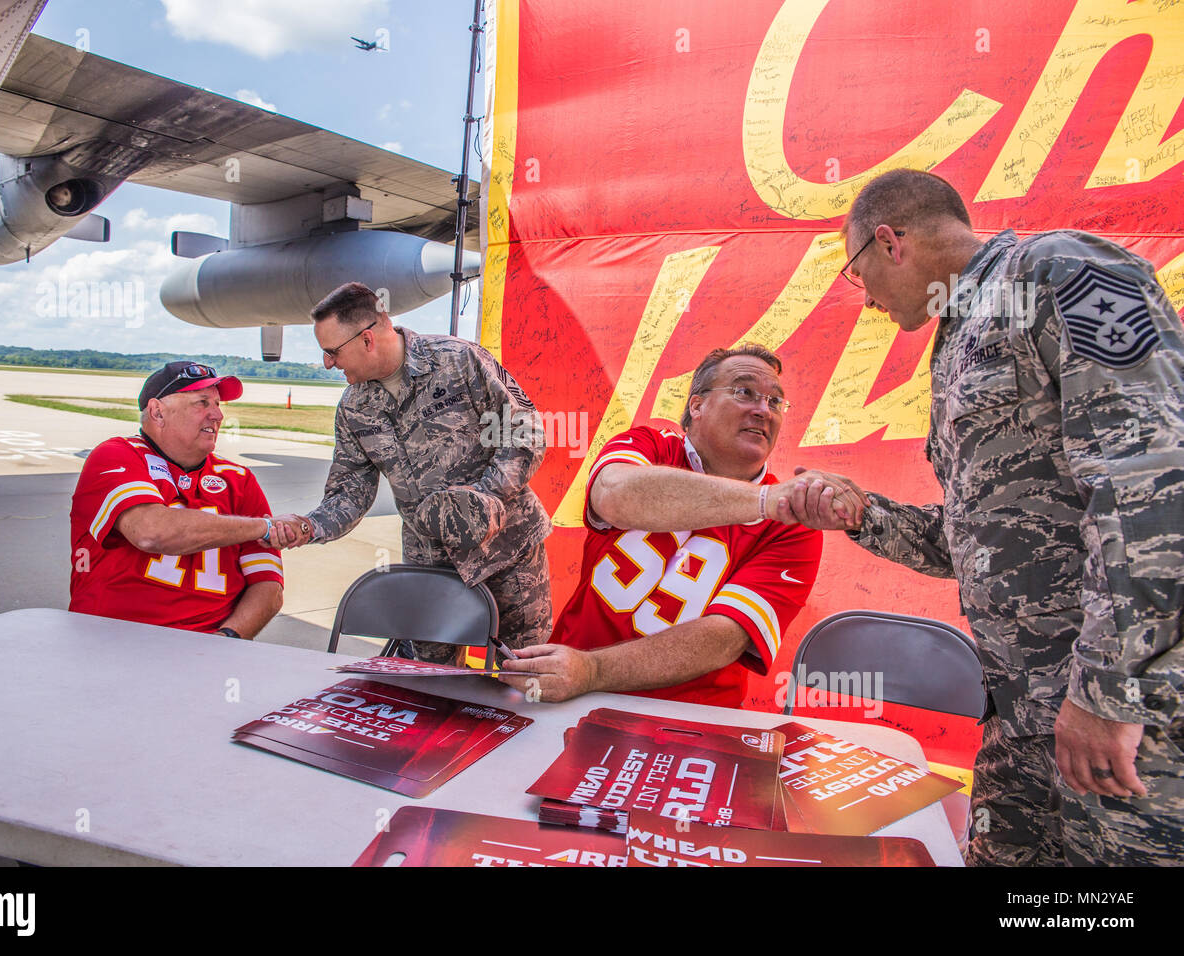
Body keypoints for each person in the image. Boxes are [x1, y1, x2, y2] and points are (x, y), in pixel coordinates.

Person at [789, 168, 1183, 865]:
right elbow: (986, 539)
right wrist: (863, 514)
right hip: (1027, 716)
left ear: (890, 242)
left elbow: (1152, 488)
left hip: (1124, 718)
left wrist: (1105, 690)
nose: (867, 301)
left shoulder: (1058, 272)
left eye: (857, 275)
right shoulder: (961, 333)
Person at [497, 344, 864, 708]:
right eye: (744, 392)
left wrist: (592, 670)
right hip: (564, 691)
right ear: (697, 405)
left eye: (775, 402)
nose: (763, 410)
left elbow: (724, 638)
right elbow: (616, 497)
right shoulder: (650, 445)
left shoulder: (793, 526)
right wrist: (765, 502)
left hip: (689, 719)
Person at [271, 282, 552, 662]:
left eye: (332, 352)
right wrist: (310, 525)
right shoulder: (355, 408)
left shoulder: (458, 360)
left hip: (509, 552)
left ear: (367, 339)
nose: (328, 364)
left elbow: (524, 430)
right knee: (428, 681)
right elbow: (350, 492)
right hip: (431, 566)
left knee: (524, 672)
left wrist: (486, 497)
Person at [70, 361, 290, 639]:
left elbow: (268, 586)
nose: (217, 415)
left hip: (210, 648)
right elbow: (152, 532)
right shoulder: (116, 455)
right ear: (157, 411)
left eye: (218, 404)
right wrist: (263, 527)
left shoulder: (239, 479)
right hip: (114, 642)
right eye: (202, 402)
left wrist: (227, 639)